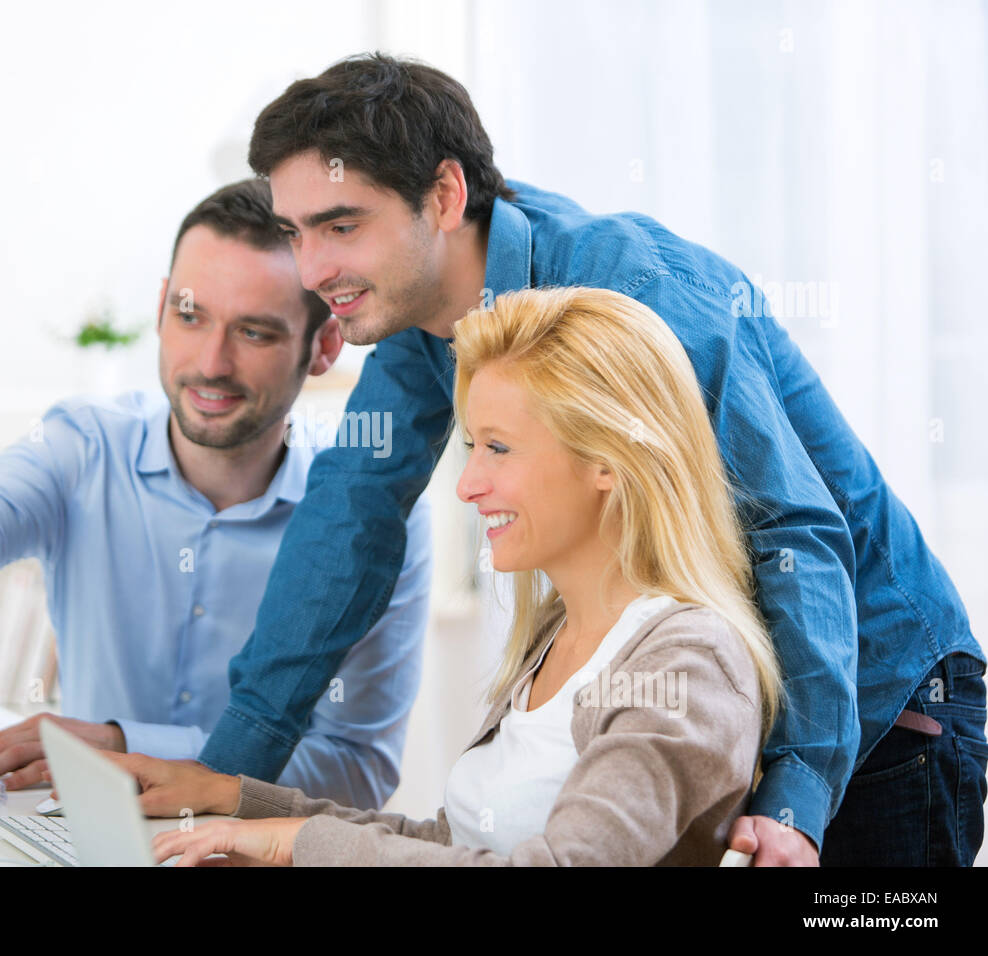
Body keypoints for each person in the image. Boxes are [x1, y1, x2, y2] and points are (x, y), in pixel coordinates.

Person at [193, 53, 987, 866]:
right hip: (738, 710)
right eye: (296, 232)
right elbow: (347, 518)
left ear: (443, 197)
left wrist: (795, 793)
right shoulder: (432, 305)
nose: (313, 270)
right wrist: (214, 784)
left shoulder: (635, 290)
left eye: (341, 225)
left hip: (881, 698)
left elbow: (792, 528)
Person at [89, 287, 781, 866]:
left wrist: (299, 844)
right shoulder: (557, 638)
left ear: (610, 459)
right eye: (472, 447)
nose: (469, 485)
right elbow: (455, 847)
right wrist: (233, 800)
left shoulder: (687, 661)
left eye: (499, 449)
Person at [0, 178, 433, 809]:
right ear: (158, 311)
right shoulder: (87, 447)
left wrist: (125, 743)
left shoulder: (376, 516)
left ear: (324, 347)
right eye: (189, 315)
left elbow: (358, 771)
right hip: (82, 837)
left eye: (255, 332)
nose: (211, 362)